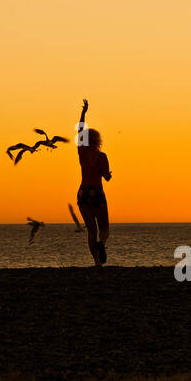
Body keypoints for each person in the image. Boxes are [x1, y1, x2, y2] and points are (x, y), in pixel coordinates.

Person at [75, 98, 111, 266]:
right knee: (104, 227)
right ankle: (102, 244)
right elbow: (106, 177)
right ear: (98, 140)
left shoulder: (82, 153)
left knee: (91, 230)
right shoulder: (101, 156)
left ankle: (97, 262)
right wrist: (108, 175)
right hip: (97, 193)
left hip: (83, 194)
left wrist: (83, 113)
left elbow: (80, 129)